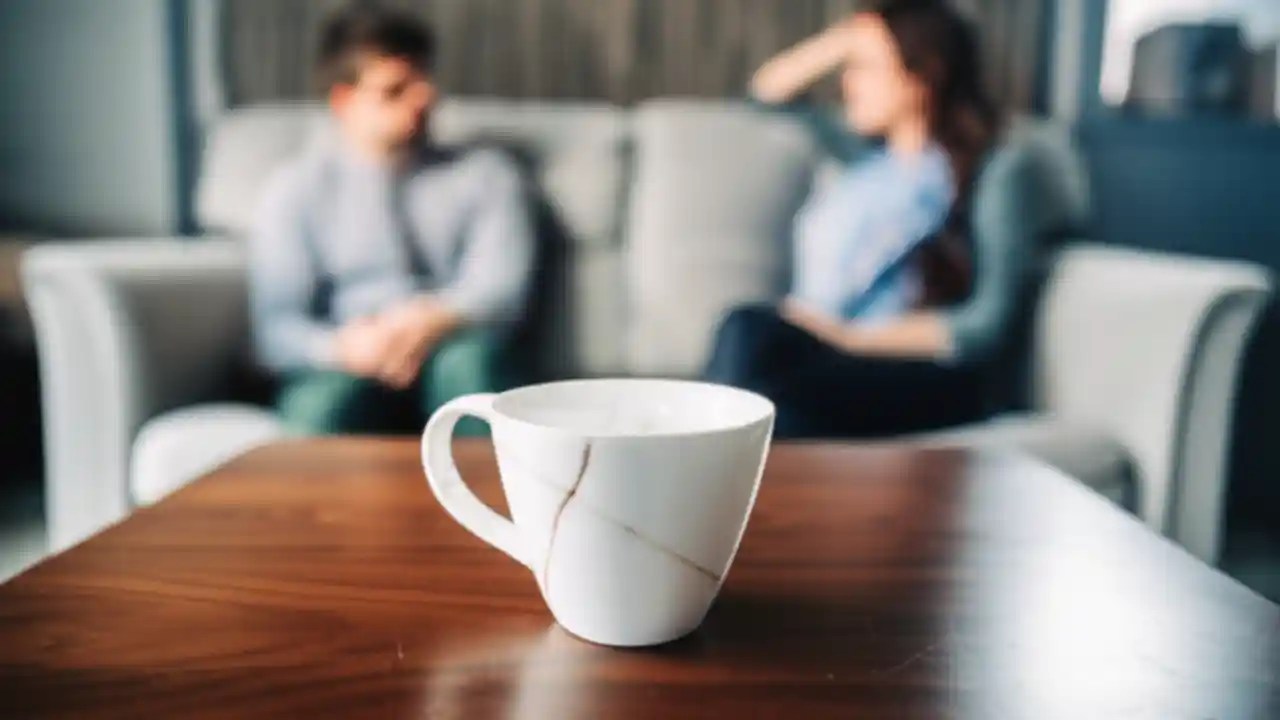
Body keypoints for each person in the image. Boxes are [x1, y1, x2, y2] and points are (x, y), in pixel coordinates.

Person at [704, 0, 1009, 439]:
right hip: (827, 358)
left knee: (748, 337)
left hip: (908, 370)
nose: (848, 83)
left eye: (865, 67)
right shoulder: (861, 159)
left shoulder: (987, 170)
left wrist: (844, 337)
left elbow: (985, 325)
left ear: (921, 75)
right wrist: (847, 37)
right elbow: (766, 94)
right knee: (759, 391)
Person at [249, 5, 534, 435]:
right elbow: (275, 330)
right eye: (395, 89)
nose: (422, 98)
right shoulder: (295, 190)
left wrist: (428, 318)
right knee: (316, 411)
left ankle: (489, 499)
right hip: (351, 359)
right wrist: (344, 347)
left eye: (424, 79)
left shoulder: (486, 175)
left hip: (452, 345)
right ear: (344, 101)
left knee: (471, 369)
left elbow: (500, 289)